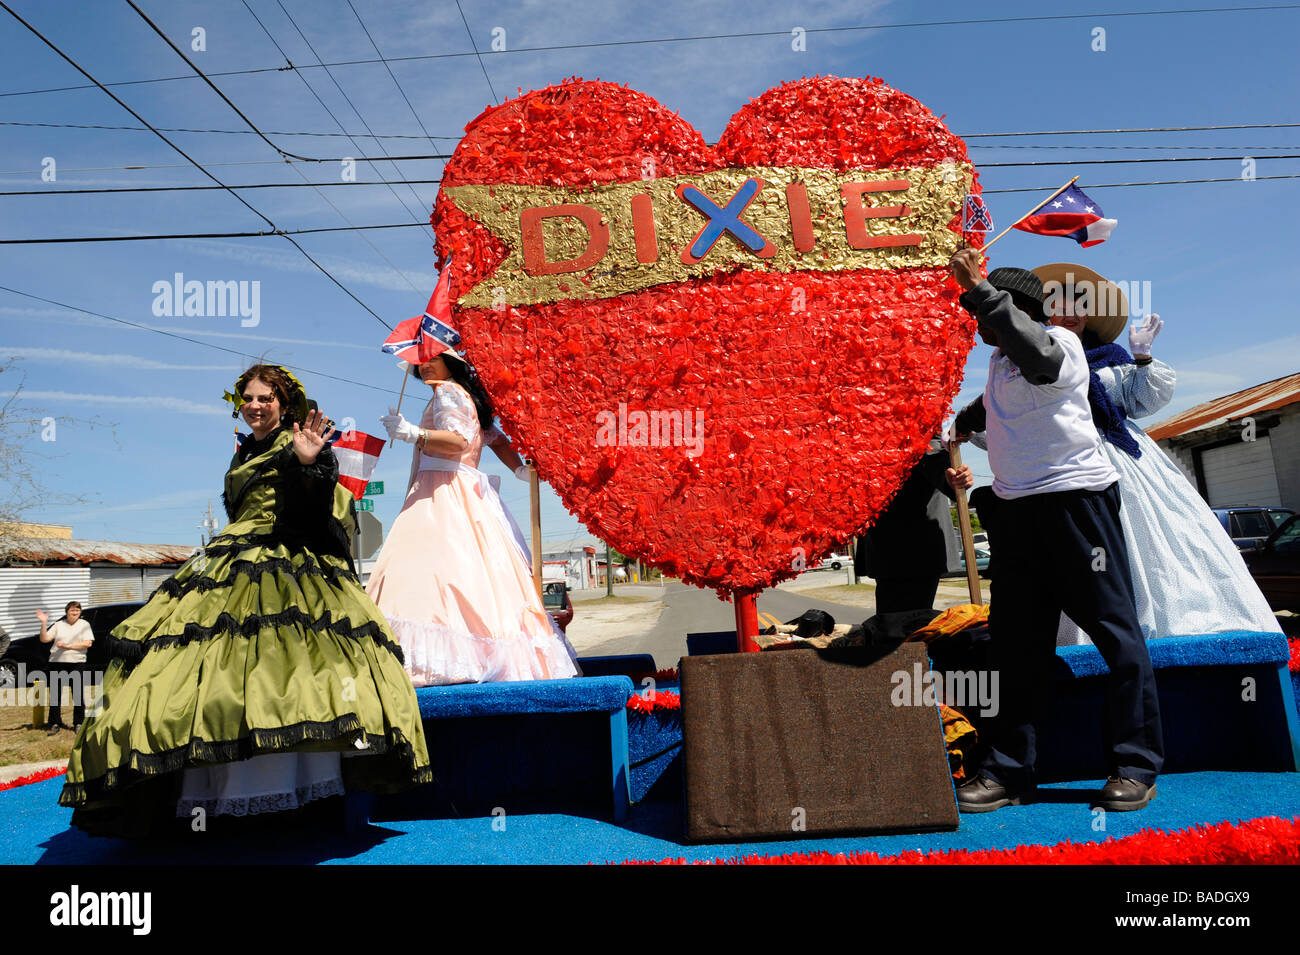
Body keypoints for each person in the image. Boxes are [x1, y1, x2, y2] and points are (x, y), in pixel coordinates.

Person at [60, 364, 430, 837]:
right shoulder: (241, 456)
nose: (255, 406)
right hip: (228, 563)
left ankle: (292, 804)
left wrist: (308, 465)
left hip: (286, 563)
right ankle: (205, 800)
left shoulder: (297, 444)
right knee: (198, 677)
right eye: (249, 398)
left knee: (286, 679)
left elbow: (310, 517)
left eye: (266, 398)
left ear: (285, 404)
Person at [944, 248, 1163, 813]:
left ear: (1012, 309)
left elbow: (1037, 356)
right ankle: (1010, 772)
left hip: (1076, 507)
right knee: (1015, 648)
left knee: (1116, 636)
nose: (976, 324)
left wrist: (980, 290)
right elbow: (979, 414)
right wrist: (951, 434)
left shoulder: (1060, 344)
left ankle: (1134, 766)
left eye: (985, 313)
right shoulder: (996, 365)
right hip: (1017, 516)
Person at [1032, 262, 1282, 644]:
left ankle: (1174, 631)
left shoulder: (1109, 357)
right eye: (1058, 305)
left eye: (1077, 307)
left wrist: (1142, 358)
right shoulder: (1027, 362)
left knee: (1157, 542)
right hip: (1061, 458)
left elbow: (1142, 400)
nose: (1069, 314)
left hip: (1122, 459)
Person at [367, 350, 580, 686]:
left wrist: (412, 433)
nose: (424, 365)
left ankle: (442, 666)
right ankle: (480, 659)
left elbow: (458, 442)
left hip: (444, 492)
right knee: (476, 578)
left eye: (432, 358)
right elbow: (494, 438)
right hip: (461, 492)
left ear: (451, 363)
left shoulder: (448, 392)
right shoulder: (457, 394)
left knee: (426, 576)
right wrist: (519, 470)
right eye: (420, 360)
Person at [854, 435, 958, 613]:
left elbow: (936, 461)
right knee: (892, 626)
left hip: (913, 552)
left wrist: (952, 481)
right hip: (887, 550)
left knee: (903, 627)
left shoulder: (915, 431)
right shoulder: (866, 436)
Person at [37, 601, 93, 735]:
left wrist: (68, 646)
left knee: (78, 694)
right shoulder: (58, 625)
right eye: (72, 611)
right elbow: (45, 639)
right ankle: (55, 723)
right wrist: (44, 623)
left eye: (77, 611)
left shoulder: (84, 625)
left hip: (76, 663)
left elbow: (87, 643)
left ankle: (78, 723)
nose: (75, 613)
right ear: (66, 612)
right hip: (57, 662)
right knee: (55, 694)